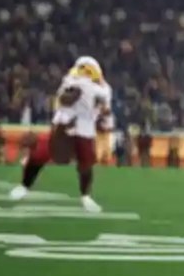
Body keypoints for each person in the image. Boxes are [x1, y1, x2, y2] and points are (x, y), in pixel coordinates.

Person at [9, 56, 112, 213]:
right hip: (64, 125)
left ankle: (86, 196)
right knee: (39, 155)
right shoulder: (72, 81)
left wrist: (99, 112)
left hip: (85, 129)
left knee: (86, 165)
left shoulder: (102, 89)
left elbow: (104, 109)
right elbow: (64, 100)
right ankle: (24, 186)